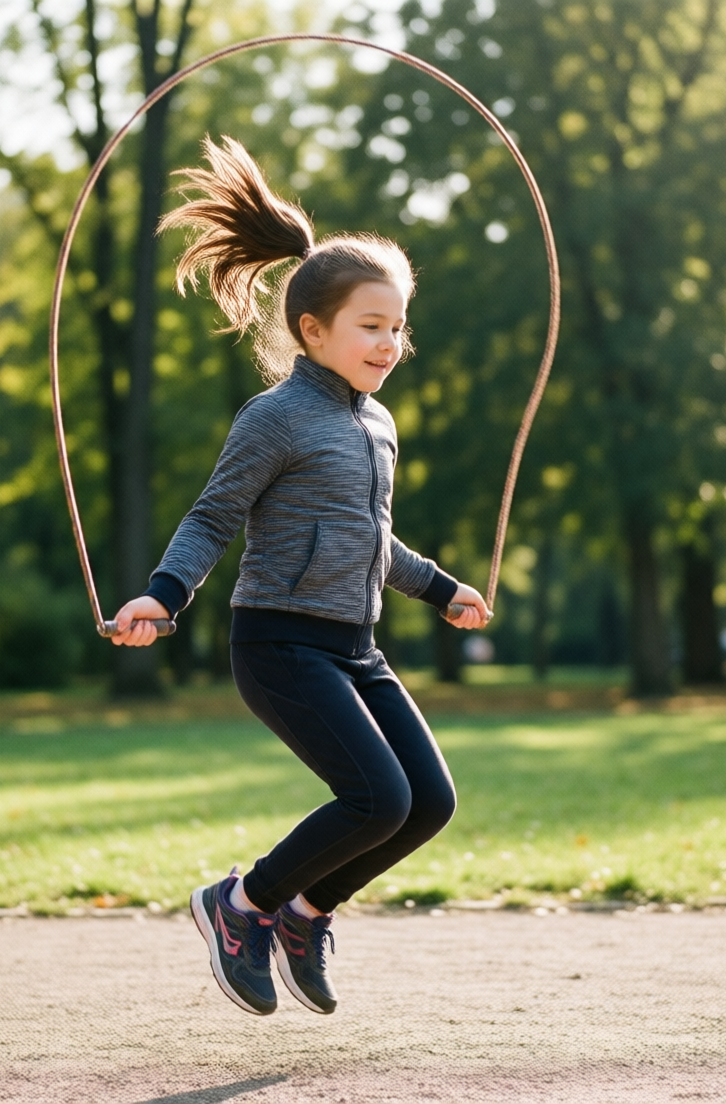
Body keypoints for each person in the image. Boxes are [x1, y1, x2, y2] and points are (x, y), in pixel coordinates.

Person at [109, 136, 491, 1017]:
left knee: (427, 802)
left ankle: (304, 914)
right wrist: (162, 595)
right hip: (280, 643)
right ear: (311, 330)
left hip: (355, 647)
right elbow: (213, 516)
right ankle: (238, 906)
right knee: (375, 794)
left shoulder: (379, 427)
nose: (391, 342)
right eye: (371, 325)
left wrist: (441, 588)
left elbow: (373, 540)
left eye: (398, 326)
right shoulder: (276, 418)